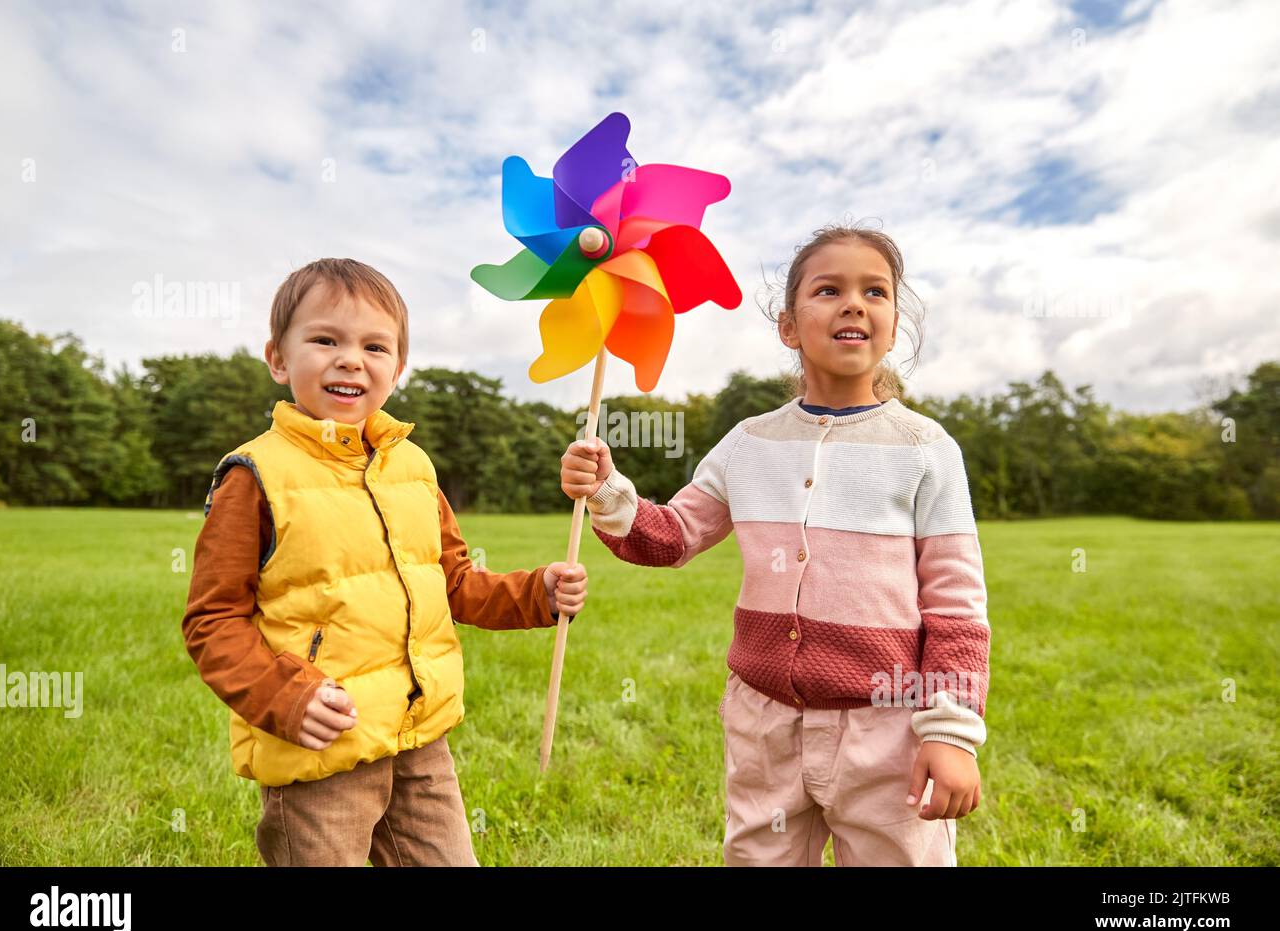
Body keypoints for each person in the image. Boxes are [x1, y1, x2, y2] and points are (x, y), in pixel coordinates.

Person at [560, 224, 989, 866]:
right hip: (764, 721)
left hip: (887, 727)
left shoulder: (925, 450)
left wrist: (950, 733)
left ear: (894, 326)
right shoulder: (749, 443)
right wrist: (607, 490)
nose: (853, 304)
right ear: (789, 326)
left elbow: (956, 604)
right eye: (828, 290)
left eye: (875, 291)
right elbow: (671, 538)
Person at [182, 257, 587, 866]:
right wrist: (286, 699)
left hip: (419, 739)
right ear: (278, 358)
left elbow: (453, 582)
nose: (351, 359)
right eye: (325, 339)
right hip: (322, 750)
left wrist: (538, 594)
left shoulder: (414, 468)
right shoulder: (254, 476)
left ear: (396, 368)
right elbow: (213, 622)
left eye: (375, 346)